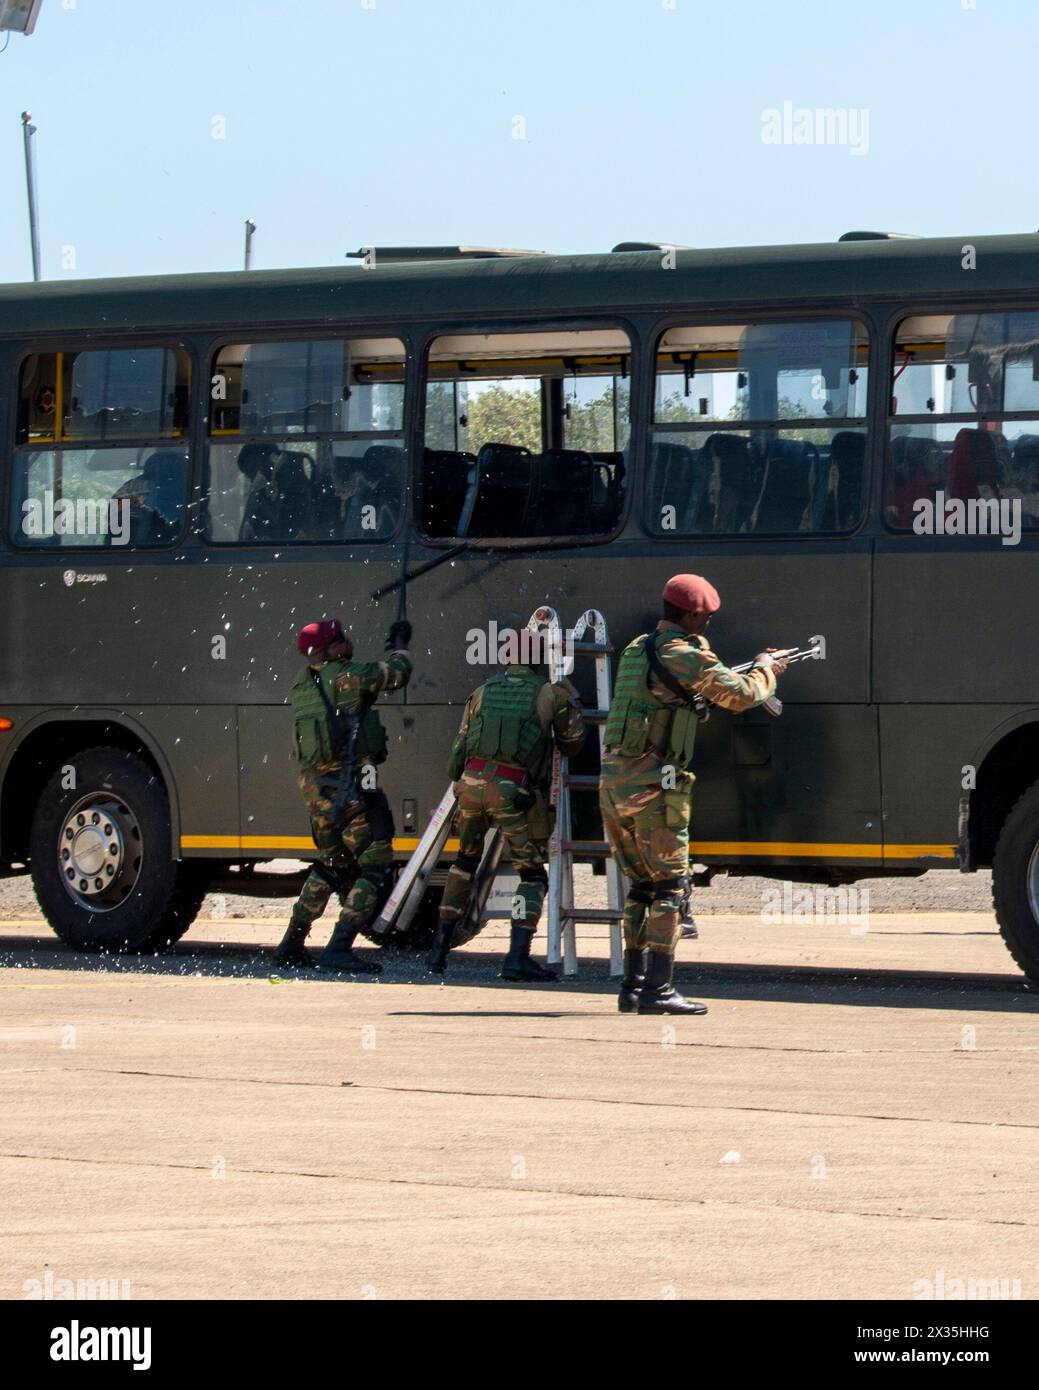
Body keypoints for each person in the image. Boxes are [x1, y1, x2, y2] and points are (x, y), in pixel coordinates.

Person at [600, 574, 788, 1016]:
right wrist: (767, 669)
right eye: (705, 616)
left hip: (614, 783)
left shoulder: (636, 650)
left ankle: (632, 987)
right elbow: (742, 696)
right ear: (690, 615)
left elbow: (661, 700)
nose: (708, 622)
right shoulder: (683, 652)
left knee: (642, 887)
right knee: (670, 886)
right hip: (653, 787)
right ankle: (659, 991)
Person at [425, 639, 586, 981]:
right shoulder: (551, 695)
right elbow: (573, 744)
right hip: (511, 792)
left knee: (464, 863)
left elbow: (456, 760)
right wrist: (574, 701)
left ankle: (437, 954)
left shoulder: (481, 692)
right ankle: (516, 958)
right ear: (539, 660)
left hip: (468, 787)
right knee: (532, 875)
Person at [272, 615, 413, 972]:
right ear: (327, 650)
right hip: (350, 788)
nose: (347, 642)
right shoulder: (349, 675)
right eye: (340, 640)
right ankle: (339, 946)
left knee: (332, 864)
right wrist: (399, 645)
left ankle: (290, 944)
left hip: (315, 791)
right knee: (375, 863)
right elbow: (398, 673)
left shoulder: (302, 684)